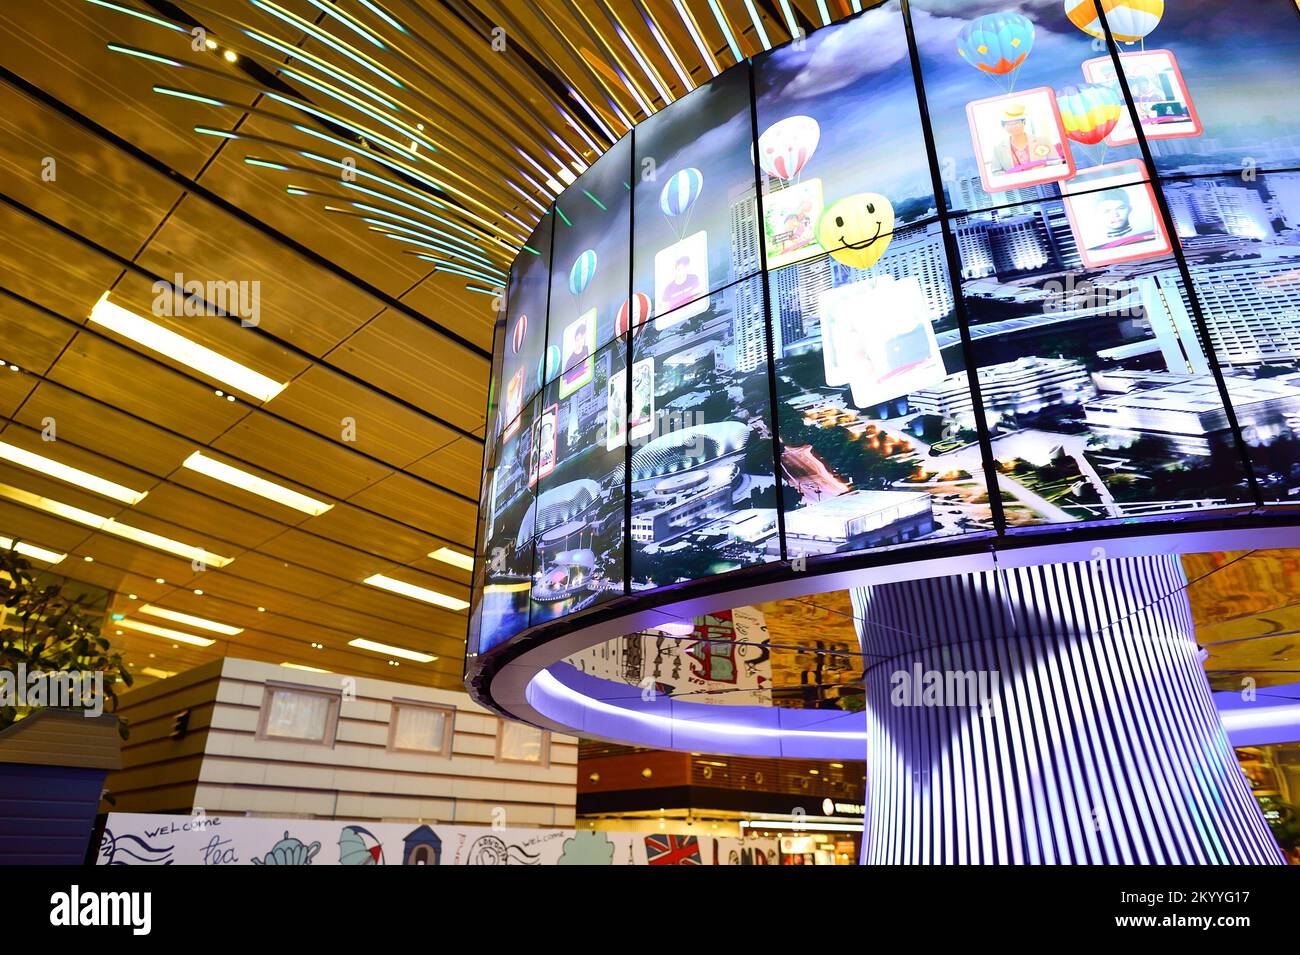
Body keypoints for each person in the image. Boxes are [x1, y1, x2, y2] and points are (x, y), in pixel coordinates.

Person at [989, 104, 1061, 176]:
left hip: (1046, 182)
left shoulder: (1043, 141)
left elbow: (1056, 162)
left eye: (1016, 123)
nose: (1013, 126)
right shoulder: (998, 148)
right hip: (1018, 186)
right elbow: (996, 172)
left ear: (1024, 123)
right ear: (1004, 127)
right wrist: (1014, 176)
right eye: (1008, 124)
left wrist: (1042, 170)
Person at [1091, 188, 1156, 250]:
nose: (1115, 215)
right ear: (1097, 214)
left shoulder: (1152, 235)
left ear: (1130, 209)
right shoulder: (1095, 248)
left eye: (1121, 208)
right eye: (1107, 211)